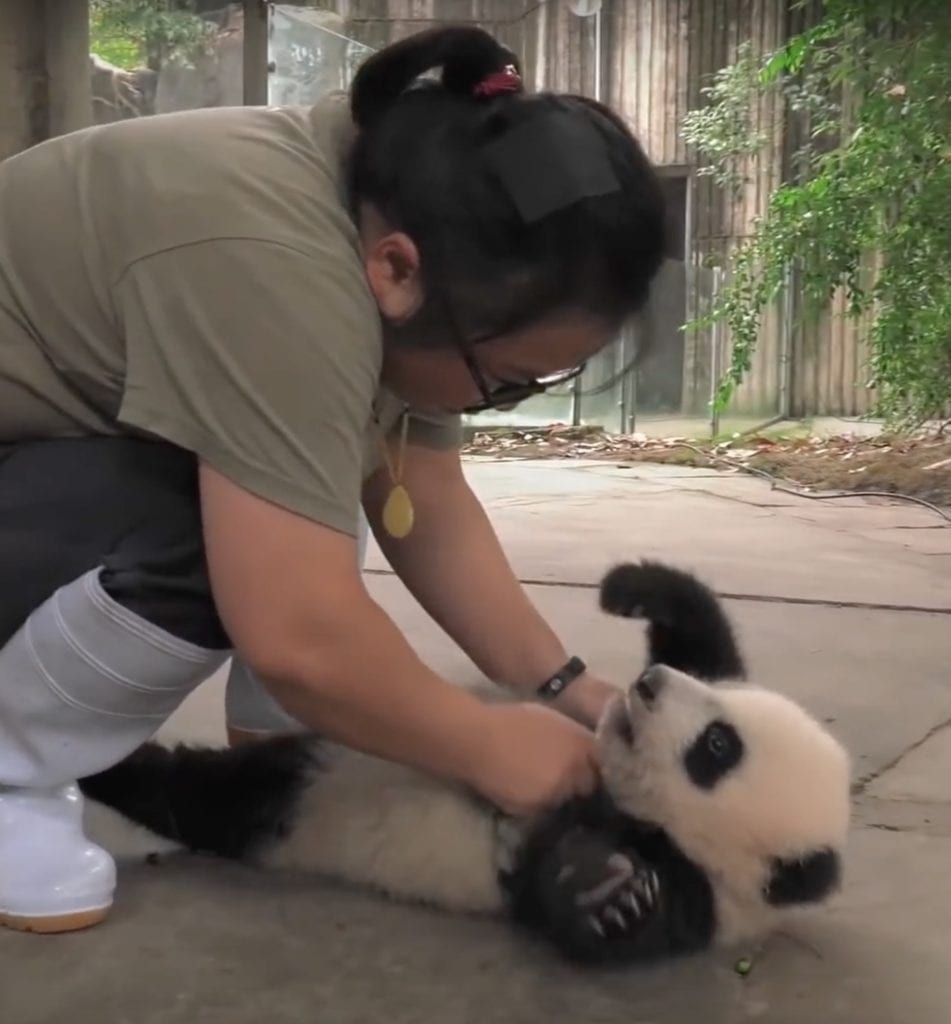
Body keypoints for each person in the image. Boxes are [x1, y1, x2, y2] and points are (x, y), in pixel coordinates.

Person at [0, 25, 666, 934]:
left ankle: (271, 732)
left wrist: (563, 689)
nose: (492, 406)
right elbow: (296, 633)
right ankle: (9, 774)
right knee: (229, 526)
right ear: (396, 270)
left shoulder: (392, 210)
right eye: (503, 383)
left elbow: (422, 497)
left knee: (301, 471)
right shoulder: (268, 258)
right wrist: (483, 745)